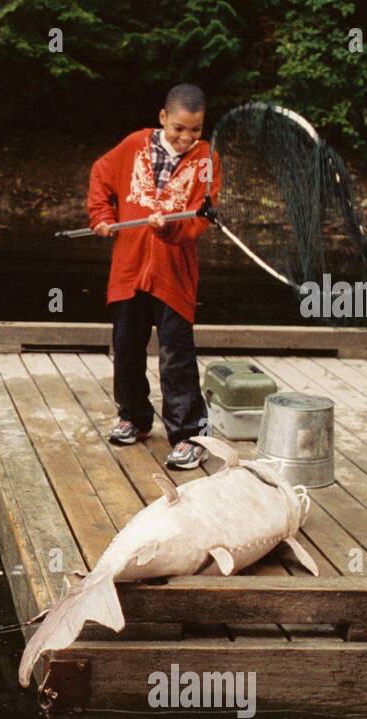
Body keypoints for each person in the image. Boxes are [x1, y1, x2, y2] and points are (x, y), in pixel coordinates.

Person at [87, 83, 222, 469]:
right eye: (179, 128)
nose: (186, 138)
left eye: (195, 130)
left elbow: (197, 222)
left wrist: (166, 230)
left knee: (175, 356)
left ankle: (189, 434)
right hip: (128, 269)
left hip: (174, 275)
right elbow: (101, 173)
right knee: (126, 347)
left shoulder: (208, 160)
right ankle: (134, 417)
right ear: (163, 117)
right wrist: (102, 217)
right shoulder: (134, 144)